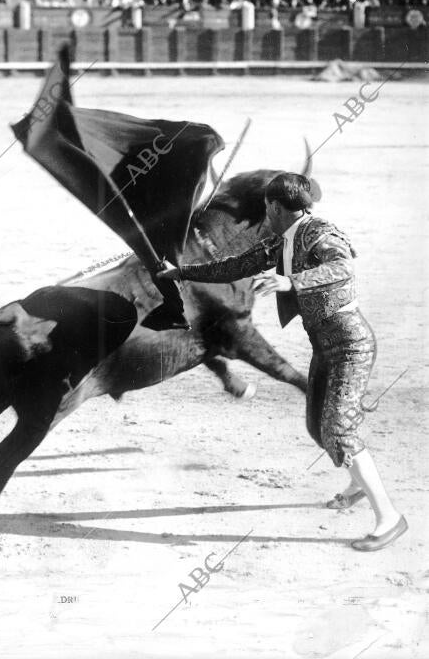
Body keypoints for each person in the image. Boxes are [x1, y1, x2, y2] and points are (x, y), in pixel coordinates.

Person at [158, 172, 407, 551]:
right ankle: (359, 484)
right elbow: (233, 266)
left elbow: (342, 267)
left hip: (350, 345)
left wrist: (292, 282)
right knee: (317, 428)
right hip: (325, 346)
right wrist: (182, 272)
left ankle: (389, 518)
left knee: (338, 431)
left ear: (274, 207)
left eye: (266, 209)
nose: (265, 216)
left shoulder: (320, 231)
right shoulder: (283, 241)